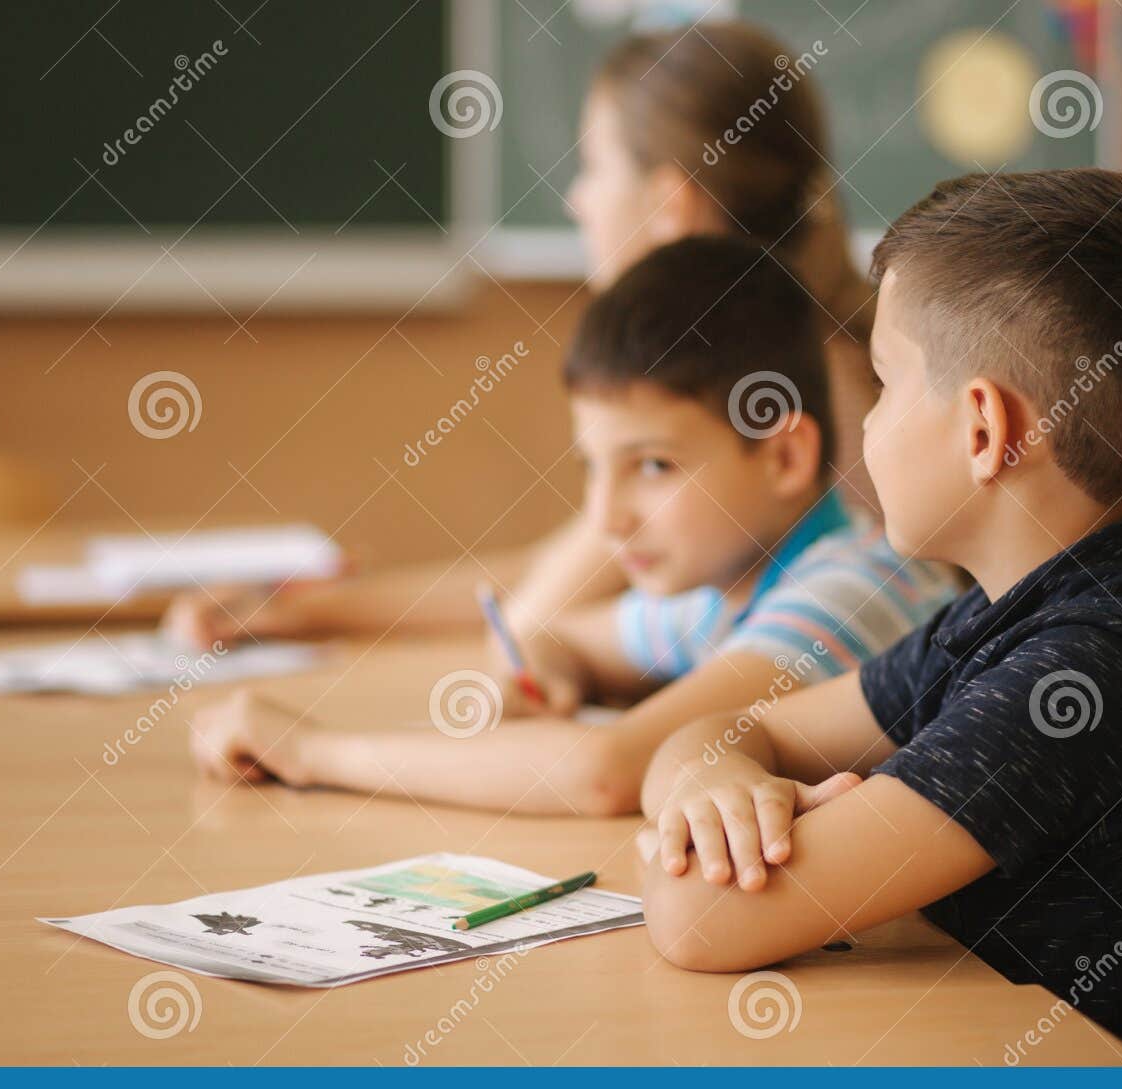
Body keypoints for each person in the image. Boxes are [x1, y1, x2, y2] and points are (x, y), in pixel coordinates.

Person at [638, 170, 1122, 1066]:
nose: (865, 426)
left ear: (985, 429)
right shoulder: (1010, 612)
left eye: (883, 384)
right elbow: (716, 731)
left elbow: (701, 919)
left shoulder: (1089, 671)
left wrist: (722, 817)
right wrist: (716, 787)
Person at [163, 22, 880, 647]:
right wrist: (311, 607)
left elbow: (535, 614)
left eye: (594, 168)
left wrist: (312, 612)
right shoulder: (784, 356)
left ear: (669, 204)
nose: (577, 199)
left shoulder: (782, 399)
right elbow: (558, 563)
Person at [187, 237, 955, 815]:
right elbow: (566, 637)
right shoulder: (722, 588)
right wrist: (553, 664)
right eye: (593, 466)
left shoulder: (852, 590)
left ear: (784, 455)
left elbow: (605, 773)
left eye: (653, 465)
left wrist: (315, 750)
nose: (606, 516)